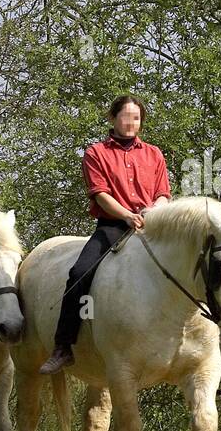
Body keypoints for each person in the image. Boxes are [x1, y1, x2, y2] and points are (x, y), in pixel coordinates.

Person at [38, 94, 171, 375]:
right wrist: (126, 214)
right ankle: (63, 346)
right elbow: (100, 194)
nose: (131, 123)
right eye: (125, 116)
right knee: (78, 275)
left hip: (151, 227)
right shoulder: (95, 153)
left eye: (137, 118)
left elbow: (163, 194)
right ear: (112, 118)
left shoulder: (154, 154)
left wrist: (153, 211)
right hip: (113, 227)